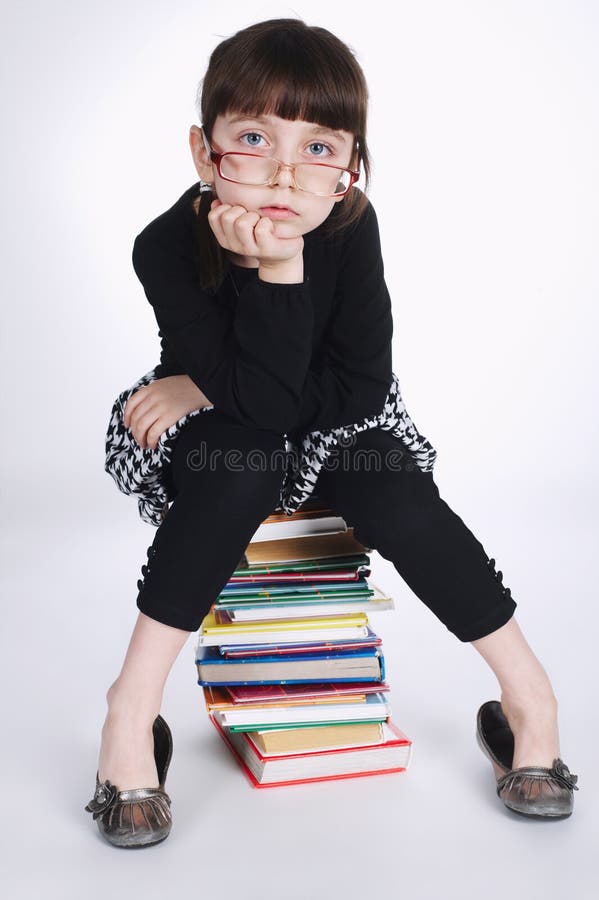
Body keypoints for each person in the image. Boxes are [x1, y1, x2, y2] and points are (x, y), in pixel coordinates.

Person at [85, 17, 579, 848]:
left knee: (391, 484)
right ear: (204, 153)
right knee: (242, 463)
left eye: (318, 148)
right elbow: (254, 412)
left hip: (333, 412)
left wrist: (273, 286)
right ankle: (129, 712)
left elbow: (360, 385)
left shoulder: (349, 224)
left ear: (348, 166)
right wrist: (234, 345)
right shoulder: (165, 245)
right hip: (211, 422)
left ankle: (530, 697)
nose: (285, 173)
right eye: (253, 139)